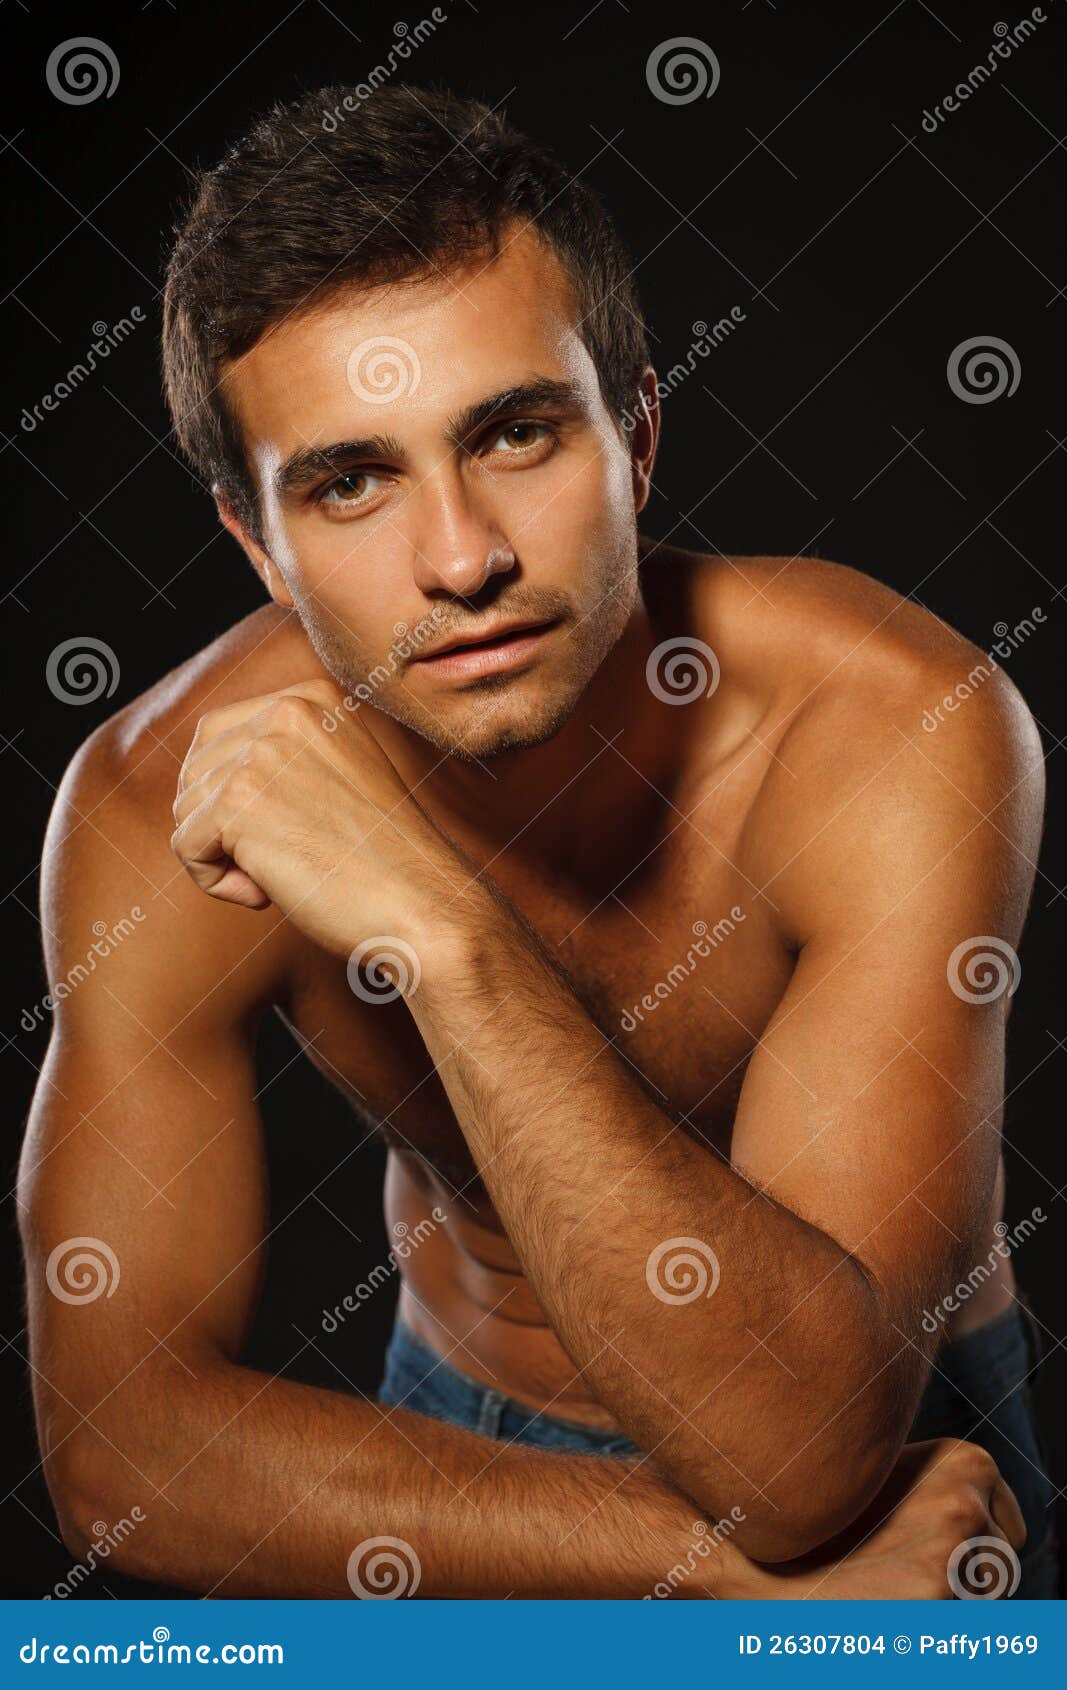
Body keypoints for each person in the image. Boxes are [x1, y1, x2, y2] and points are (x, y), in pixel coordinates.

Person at [19, 84, 1055, 1599]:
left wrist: (439, 930)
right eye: (350, 482)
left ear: (636, 434)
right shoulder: (154, 793)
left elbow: (798, 1459)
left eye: (514, 434)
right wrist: (697, 1569)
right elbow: (117, 1455)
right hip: (462, 1465)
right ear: (258, 544)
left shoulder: (889, 724)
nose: (461, 560)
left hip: (886, 1442)